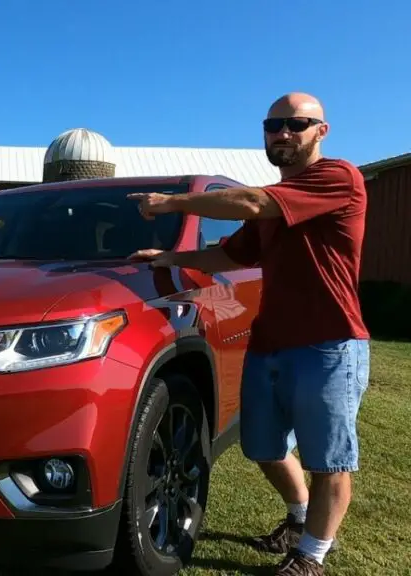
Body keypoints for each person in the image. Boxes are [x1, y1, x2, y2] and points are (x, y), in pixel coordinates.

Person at [126, 92, 370, 576]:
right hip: (270, 343)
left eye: (296, 124)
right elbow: (229, 257)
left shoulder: (338, 177)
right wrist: (169, 259)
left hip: (329, 344)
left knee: (329, 460)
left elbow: (254, 202)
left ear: (321, 131)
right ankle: (301, 518)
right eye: (273, 124)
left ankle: (312, 555)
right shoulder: (270, 211)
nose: (282, 133)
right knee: (263, 447)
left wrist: (168, 203)